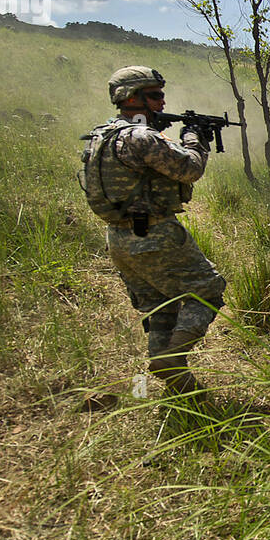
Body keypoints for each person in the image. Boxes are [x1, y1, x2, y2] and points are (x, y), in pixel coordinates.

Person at [79, 66, 225, 396]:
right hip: (155, 235)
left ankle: (183, 390)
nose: (162, 101)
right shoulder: (141, 137)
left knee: (161, 307)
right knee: (209, 292)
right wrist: (194, 137)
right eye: (155, 95)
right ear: (131, 97)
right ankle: (172, 358)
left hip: (119, 240)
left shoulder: (101, 135)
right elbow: (189, 169)